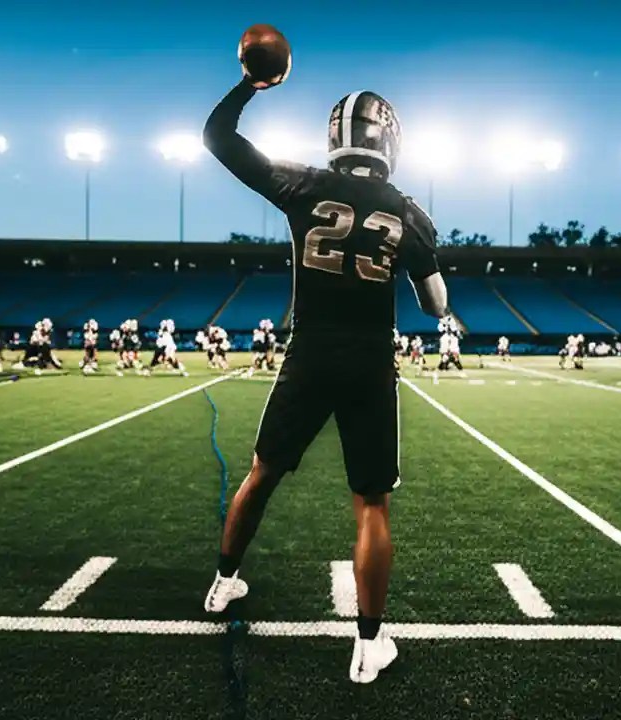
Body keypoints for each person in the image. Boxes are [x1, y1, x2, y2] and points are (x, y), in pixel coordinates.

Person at [201, 72, 447, 684]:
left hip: (308, 353)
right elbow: (436, 304)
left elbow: (218, 136)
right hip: (369, 362)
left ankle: (223, 583)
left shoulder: (303, 184)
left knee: (262, 472)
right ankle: (368, 644)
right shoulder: (408, 211)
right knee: (371, 503)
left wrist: (250, 84)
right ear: (390, 141)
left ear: (336, 135)